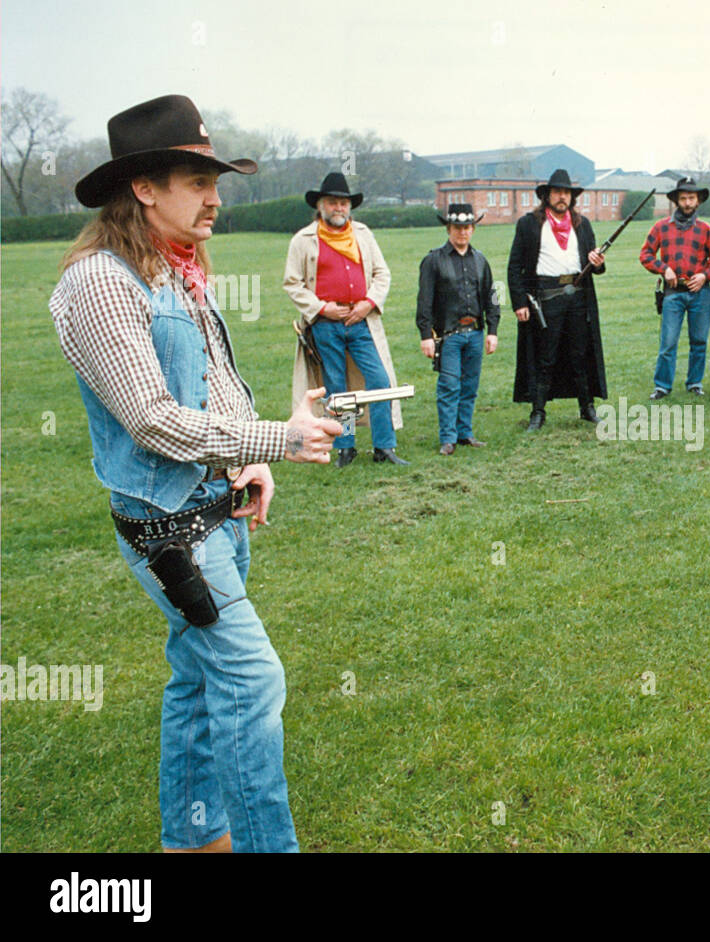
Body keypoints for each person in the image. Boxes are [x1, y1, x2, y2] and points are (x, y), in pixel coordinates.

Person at [49, 94, 342, 853]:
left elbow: (208, 380)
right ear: (143, 187)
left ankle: (192, 837)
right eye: (198, 182)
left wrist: (246, 460)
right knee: (252, 680)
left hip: (218, 513)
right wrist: (279, 438)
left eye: (217, 182)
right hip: (170, 535)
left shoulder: (175, 268)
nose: (216, 198)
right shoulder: (101, 282)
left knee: (199, 681)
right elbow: (150, 416)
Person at [285, 171, 408, 466]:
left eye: (343, 203)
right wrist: (321, 308)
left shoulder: (363, 234)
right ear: (320, 206)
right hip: (326, 324)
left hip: (360, 320)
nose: (338, 208)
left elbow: (382, 274)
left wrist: (369, 304)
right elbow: (293, 283)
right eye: (332, 203)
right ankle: (345, 445)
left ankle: (384, 446)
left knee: (379, 380)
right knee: (338, 387)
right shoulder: (303, 240)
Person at [507, 169, 608, 431]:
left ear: (571, 198)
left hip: (577, 296)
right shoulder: (529, 224)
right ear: (547, 196)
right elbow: (514, 266)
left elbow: (594, 265)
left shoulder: (582, 224)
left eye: (566, 193)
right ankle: (538, 412)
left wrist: (597, 262)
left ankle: (587, 408)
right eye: (557, 193)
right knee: (545, 356)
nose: (562, 197)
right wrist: (519, 302)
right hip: (545, 297)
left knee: (579, 354)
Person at [416, 203, 500, 454]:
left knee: (470, 386)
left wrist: (493, 330)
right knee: (449, 386)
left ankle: (465, 433)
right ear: (448, 229)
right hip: (448, 336)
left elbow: (492, 297)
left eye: (467, 227)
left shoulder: (481, 260)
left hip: (475, 333)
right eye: (457, 228)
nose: (462, 233)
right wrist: (425, 335)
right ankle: (448, 438)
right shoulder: (433, 261)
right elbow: (424, 301)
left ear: (473, 229)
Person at [639, 177, 710, 398]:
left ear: (698, 201)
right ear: (676, 201)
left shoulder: (705, 229)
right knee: (668, 342)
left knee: (699, 341)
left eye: (691, 198)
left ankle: (695, 382)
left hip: (699, 293)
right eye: (683, 198)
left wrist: (704, 276)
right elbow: (645, 254)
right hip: (673, 293)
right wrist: (664, 269)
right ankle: (662, 385)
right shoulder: (661, 227)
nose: (688, 203)